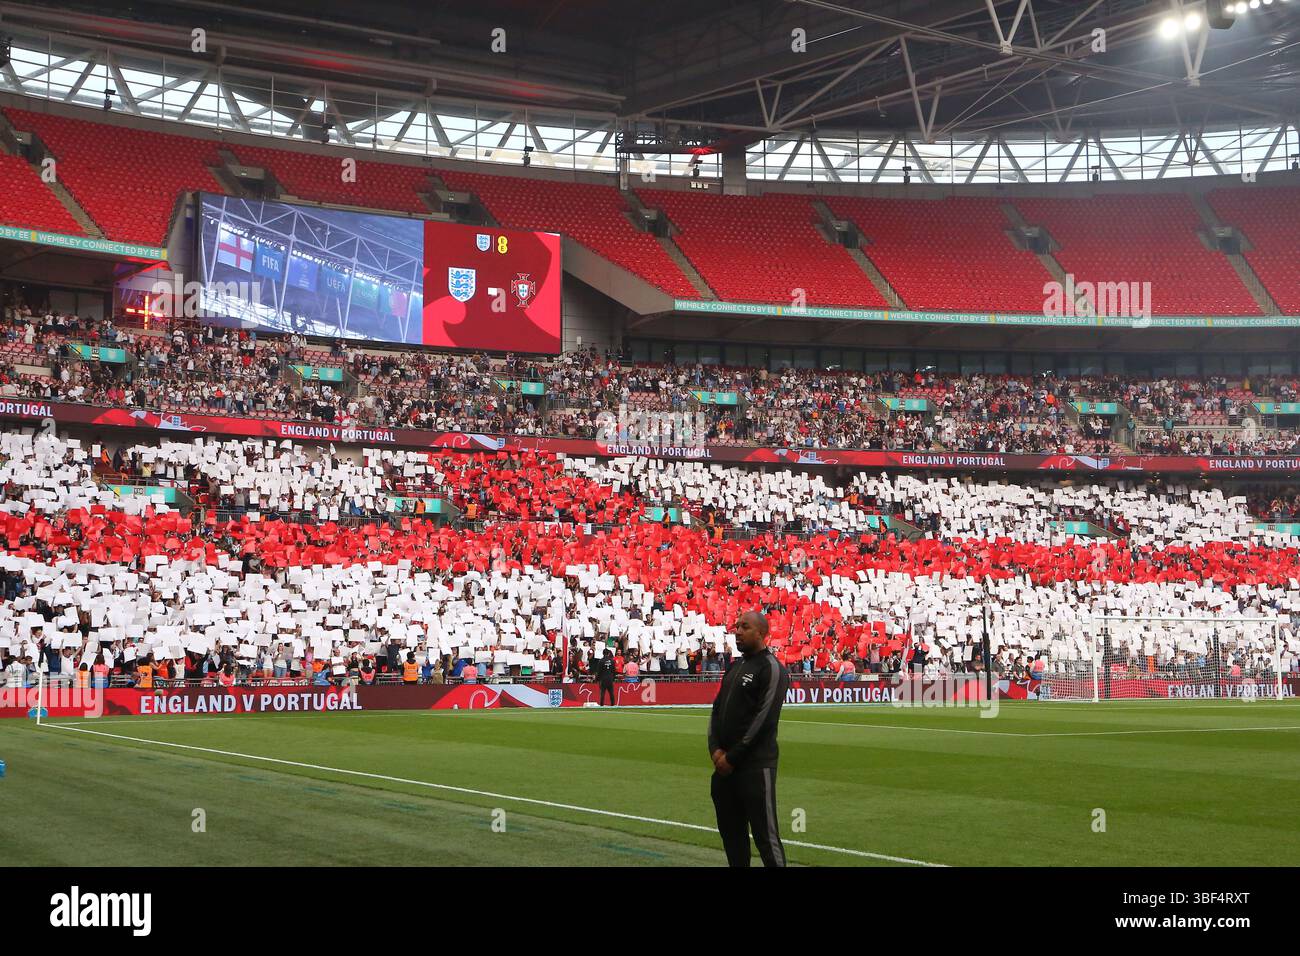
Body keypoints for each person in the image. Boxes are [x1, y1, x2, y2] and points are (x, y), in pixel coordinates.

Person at [707, 610, 791, 868]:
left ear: (762, 633)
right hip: (724, 769)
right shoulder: (735, 666)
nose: (738, 631)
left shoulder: (772, 668)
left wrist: (731, 757)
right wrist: (715, 750)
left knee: (766, 838)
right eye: (737, 626)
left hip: (755, 767)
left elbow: (763, 720)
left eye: (745, 627)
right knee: (732, 837)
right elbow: (717, 710)